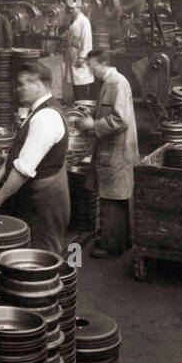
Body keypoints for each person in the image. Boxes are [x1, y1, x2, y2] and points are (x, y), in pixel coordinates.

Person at [0, 61, 71, 255]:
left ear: (38, 85)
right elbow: (16, 151)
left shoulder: (45, 117)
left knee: (42, 259)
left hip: (44, 202)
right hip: (36, 197)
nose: (17, 89)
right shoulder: (36, 110)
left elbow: (24, 167)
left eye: (22, 84)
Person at [81, 49, 138, 258]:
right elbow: (110, 110)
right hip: (113, 148)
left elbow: (120, 119)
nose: (90, 70)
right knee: (118, 196)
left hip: (117, 149)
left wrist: (93, 124)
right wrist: (93, 114)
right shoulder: (110, 82)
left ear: (104, 63)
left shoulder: (116, 83)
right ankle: (121, 239)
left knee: (111, 197)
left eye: (92, 66)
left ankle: (110, 246)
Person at [63, 0, 94, 102]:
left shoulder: (84, 22)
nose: (71, 10)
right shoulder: (75, 20)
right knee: (76, 85)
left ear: (80, 8)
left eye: (74, 8)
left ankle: (82, 109)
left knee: (81, 84)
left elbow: (87, 40)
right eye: (70, 8)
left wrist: (82, 57)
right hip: (73, 54)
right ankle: (77, 108)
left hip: (80, 56)